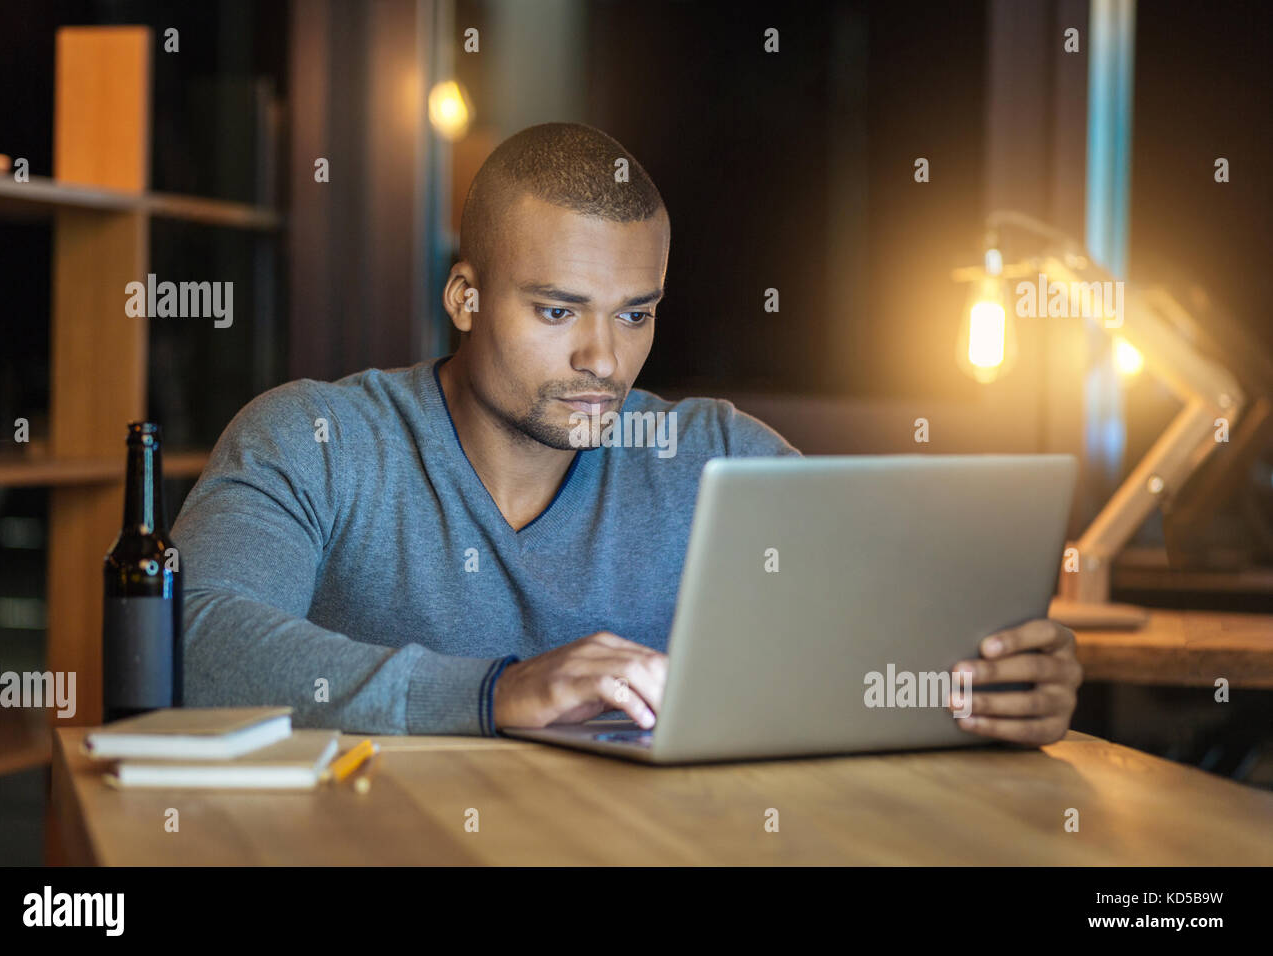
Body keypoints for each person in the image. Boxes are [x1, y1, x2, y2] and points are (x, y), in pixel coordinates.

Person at [174, 122, 1081, 744]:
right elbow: (194, 643)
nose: (604, 359)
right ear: (465, 297)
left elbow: (897, 627)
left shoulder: (719, 458)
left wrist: (998, 682)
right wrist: (495, 694)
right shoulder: (314, 440)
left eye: (635, 313)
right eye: (559, 309)